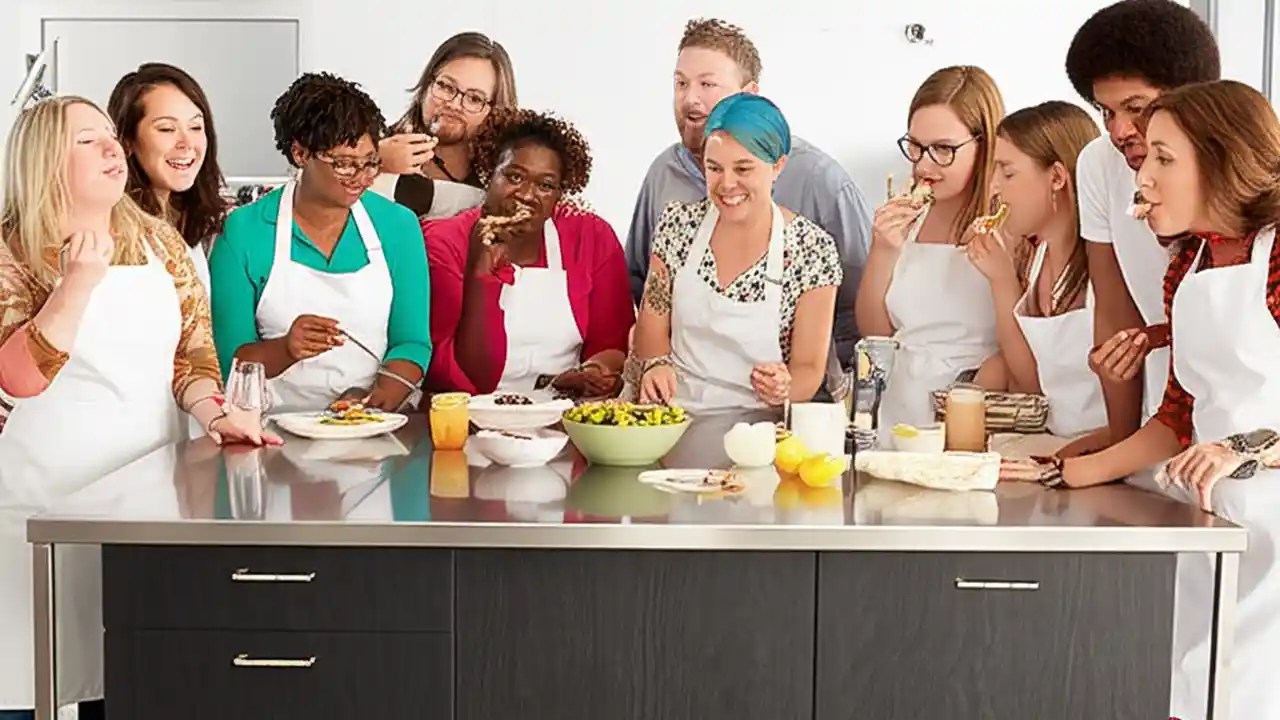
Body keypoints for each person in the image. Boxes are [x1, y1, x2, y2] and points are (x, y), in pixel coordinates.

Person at [1002, 79, 1280, 720]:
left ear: (1221, 158)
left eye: (1164, 158)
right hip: (1213, 523)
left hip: (1270, 524)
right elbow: (1179, 416)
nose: (1142, 178)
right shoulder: (1191, 265)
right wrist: (1063, 473)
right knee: (1192, 690)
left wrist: (1243, 448)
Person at [0, 96, 269, 720]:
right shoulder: (14, 251)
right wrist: (75, 284)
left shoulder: (158, 241)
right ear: (44, 162)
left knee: (127, 678)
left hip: (142, 506)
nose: (111, 149)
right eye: (86, 142)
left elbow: (191, 357)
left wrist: (215, 411)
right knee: (28, 683)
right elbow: (16, 377)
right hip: (38, 507)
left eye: (108, 138)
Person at [625, 17, 871, 371]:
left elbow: (856, 307)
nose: (690, 99)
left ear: (750, 94)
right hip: (679, 399)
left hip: (783, 408)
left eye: (707, 84)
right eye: (681, 83)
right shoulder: (663, 174)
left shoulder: (821, 181)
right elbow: (639, 282)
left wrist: (808, 384)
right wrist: (653, 359)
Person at [209, 73, 431, 413]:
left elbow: (412, 343)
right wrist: (286, 348)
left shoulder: (398, 226)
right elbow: (231, 361)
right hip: (270, 433)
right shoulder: (244, 231)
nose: (361, 177)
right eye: (343, 164)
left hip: (372, 427)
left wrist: (369, 406)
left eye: (371, 162)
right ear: (300, 153)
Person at [1064, 0, 1220, 455]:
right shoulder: (1098, 163)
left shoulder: (1248, 183)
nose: (1118, 131)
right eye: (1105, 111)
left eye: (1136, 108)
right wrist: (1120, 441)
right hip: (1162, 425)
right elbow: (1114, 314)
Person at [632, 93, 841, 412]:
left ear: (778, 166)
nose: (727, 184)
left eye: (743, 169)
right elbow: (652, 325)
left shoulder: (812, 249)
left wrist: (783, 388)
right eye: (714, 168)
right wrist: (655, 365)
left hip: (758, 428)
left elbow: (809, 370)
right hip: (673, 414)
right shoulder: (678, 224)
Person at [424, 108, 633, 396]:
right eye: (514, 177)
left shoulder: (591, 237)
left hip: (560, 411)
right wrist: (480, 277)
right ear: (488, 174)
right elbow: (449, 374)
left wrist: (592, 374)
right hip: (468, 410)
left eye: (545, 186)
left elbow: (612, 344)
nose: (526, 195)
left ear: (560, 193)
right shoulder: (443, 241)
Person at [854, 66, 1004, 435]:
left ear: (984, 145)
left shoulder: (1007, 224)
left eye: (943, 150)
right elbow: (876, 333)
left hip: (972, 414)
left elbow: (1026, 348)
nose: (924, 164)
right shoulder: (908, 215)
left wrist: (973, 390)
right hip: (897, 410)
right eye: (916, 147)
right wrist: (883, 251)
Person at [965, 101, 1105, 448]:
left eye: (1008, 173)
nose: (994, 187)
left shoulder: (1104, 270)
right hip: (1054, 441)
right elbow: (1031, 384)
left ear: (1057, 177)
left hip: (1101, 451)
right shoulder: (1037, 257)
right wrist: (1001, 281)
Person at [107, 62, 229, 295]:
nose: (187, 144)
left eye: (195, 127)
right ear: (127, 141)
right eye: (166, 129)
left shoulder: (199, 223)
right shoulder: (114, 232)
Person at [372, 31, 518, 220]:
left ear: (495, 112)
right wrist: (372, 161)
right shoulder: (373, 147)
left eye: (474, 99)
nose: (454, 104)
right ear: (426, 84)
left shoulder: (498, 185)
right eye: (446, 87)